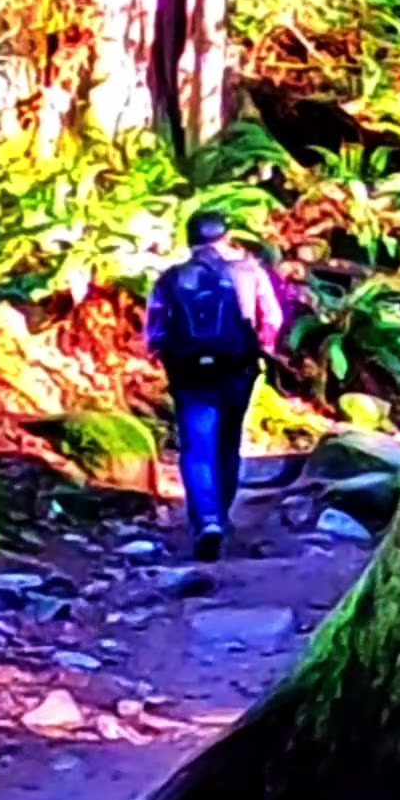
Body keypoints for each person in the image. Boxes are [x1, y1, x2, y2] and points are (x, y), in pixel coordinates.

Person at [144, 210, 289, 561]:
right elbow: (273, 317)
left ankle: (207, 521)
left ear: (189, 239)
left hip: (189, 373)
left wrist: (166, 356)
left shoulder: (171, 278)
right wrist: (262, 347)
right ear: (226, 236)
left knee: (196, 446)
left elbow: (154, 328)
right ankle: (220, 516)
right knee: (228, 443)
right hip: (237, 369)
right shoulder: (250, 271)